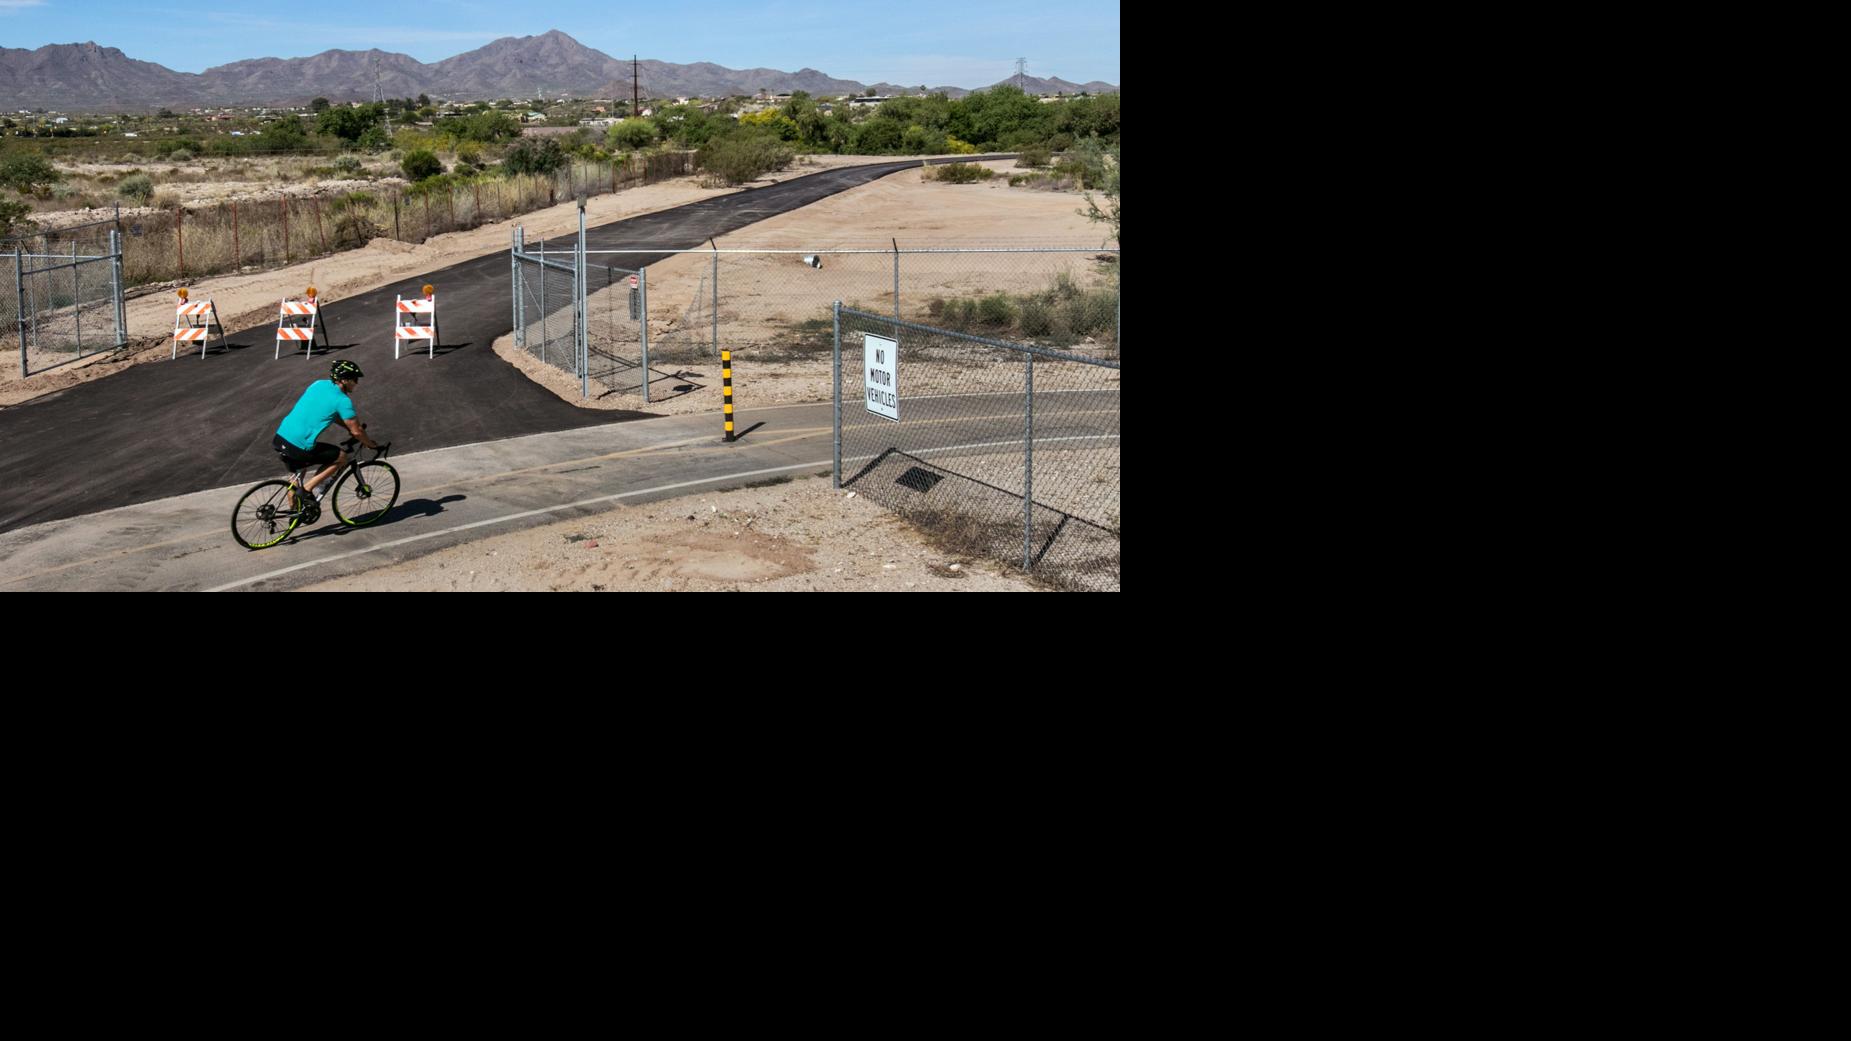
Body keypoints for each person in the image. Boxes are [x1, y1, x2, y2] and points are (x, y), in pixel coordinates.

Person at [273, 359, 382, 503]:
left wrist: (347, 427)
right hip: (299, 445)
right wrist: (370, 444)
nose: (357, 383)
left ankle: (295, 512)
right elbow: (357, 432)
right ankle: (307, 489)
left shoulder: (317, 384)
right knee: (342, 457)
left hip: (281, 437)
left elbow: (329, 415)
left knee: (299, 471)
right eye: (354, 379)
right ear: (344, 380)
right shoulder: (342, 400)